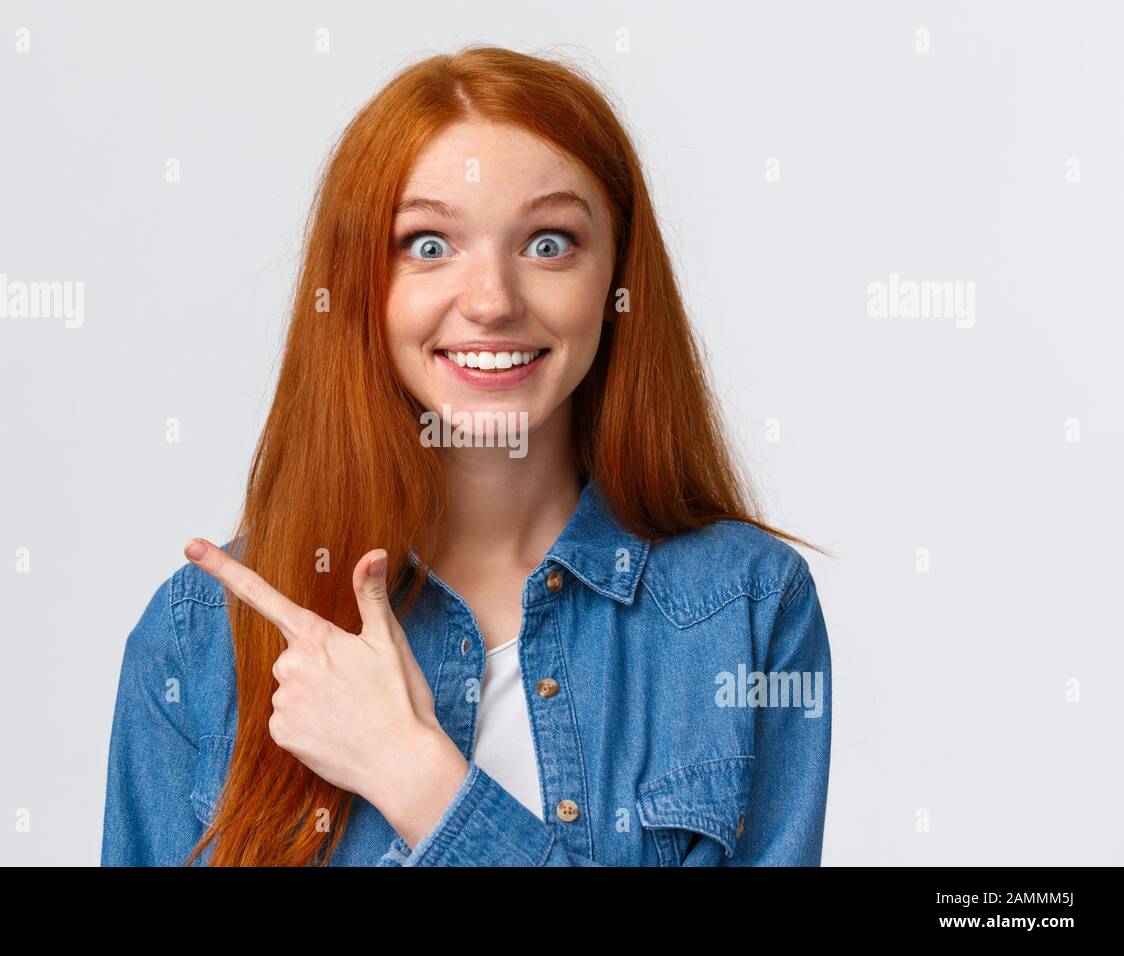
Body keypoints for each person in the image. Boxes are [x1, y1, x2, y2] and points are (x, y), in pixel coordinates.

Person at [101, 44, 833, 867]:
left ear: (618, 283)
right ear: (360, 288)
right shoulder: (197, 641)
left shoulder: (743, 608)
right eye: (427, 245)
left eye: (550, 244)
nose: (491, 301)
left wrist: (420, 782)